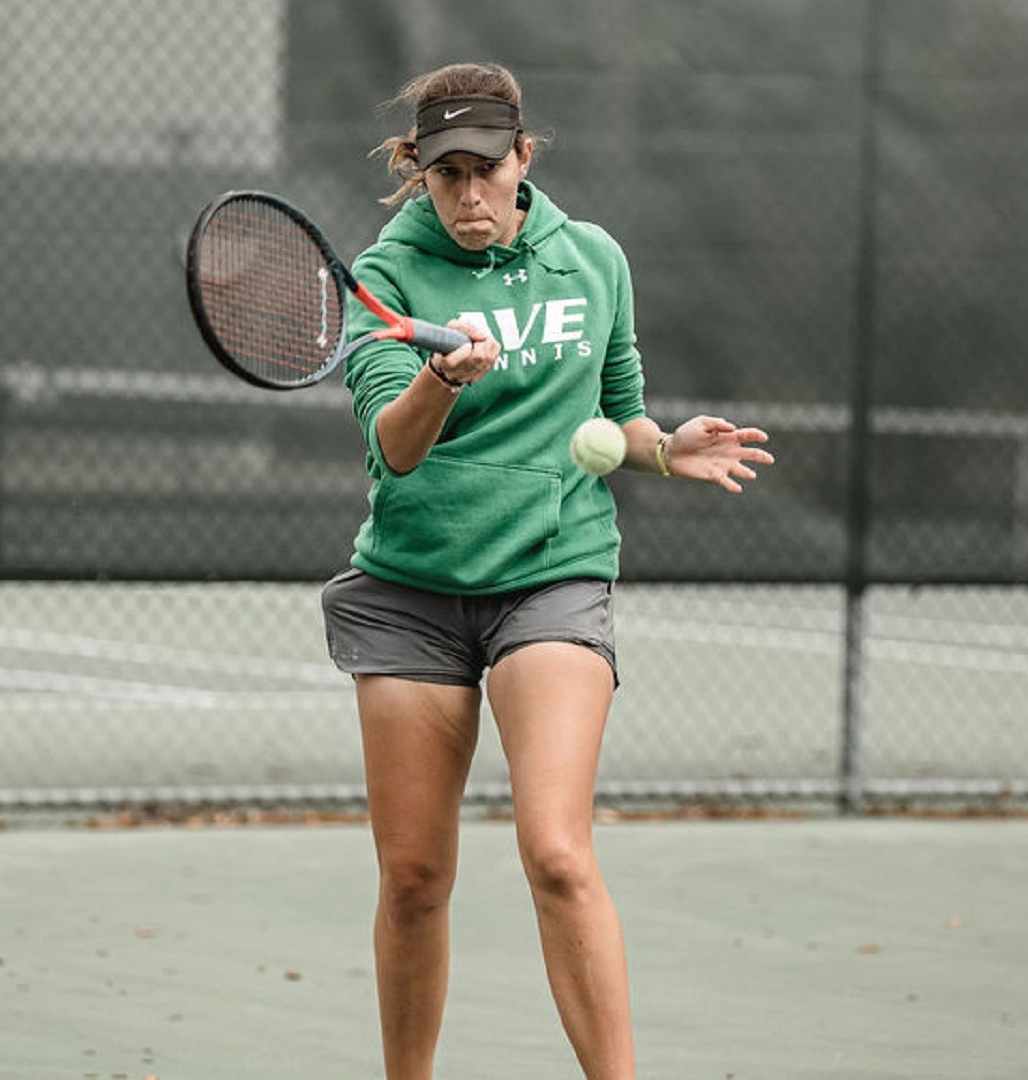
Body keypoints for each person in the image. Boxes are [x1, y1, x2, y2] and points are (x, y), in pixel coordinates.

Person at [319, 61, 773, 1080]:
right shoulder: (385, 280)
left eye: (488, 167)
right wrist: (442, 377)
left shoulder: (593, 261)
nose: (470, 193)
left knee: (559, 857)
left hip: (552, 574)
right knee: (416, 877)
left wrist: (664, 448)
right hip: (409, 593)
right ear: (416, 172)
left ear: (525, 156)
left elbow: (621, 409)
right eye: (447, 175)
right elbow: (393, 450)